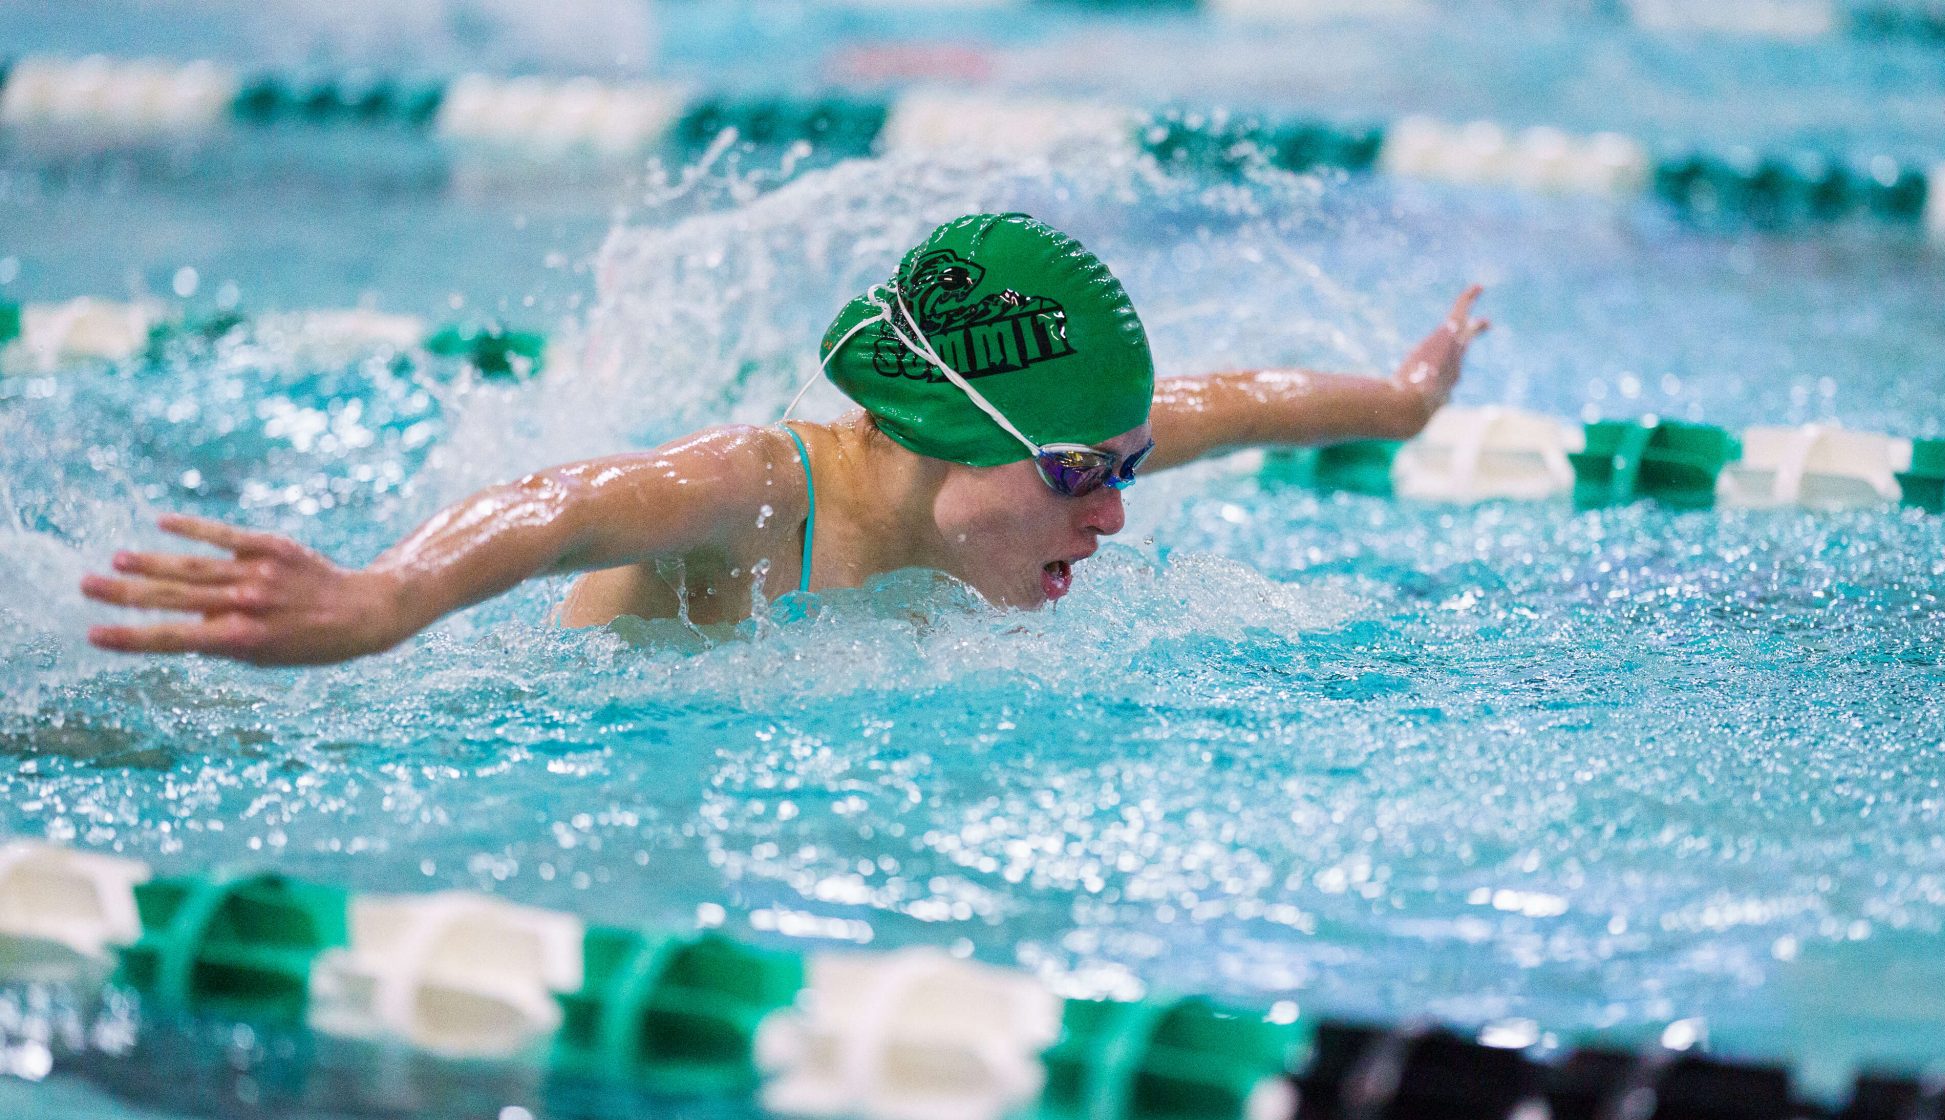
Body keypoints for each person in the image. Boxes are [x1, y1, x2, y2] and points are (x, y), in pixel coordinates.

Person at [81, 212, 1489, 666]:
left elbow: (1237, 404)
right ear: (947, 432)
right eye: (1080, 477)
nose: (1113, 512)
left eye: (1122, 471)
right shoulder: (760, 494)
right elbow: (566, 502)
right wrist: (384, 598)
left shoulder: (1049, 453)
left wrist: (1401, 404)